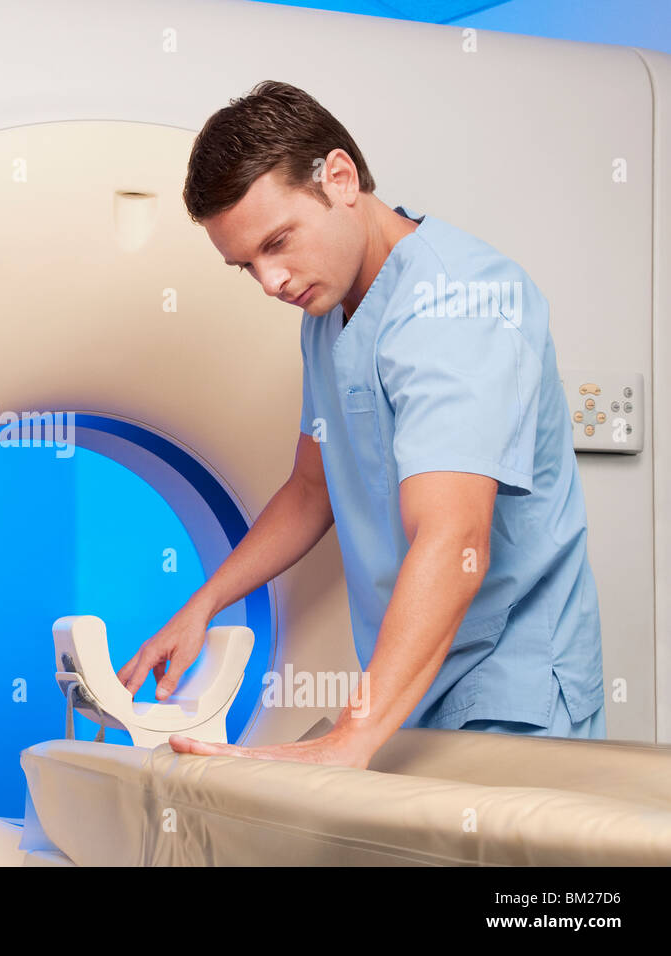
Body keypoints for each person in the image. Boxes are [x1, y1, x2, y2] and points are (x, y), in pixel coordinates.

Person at [116, 81, 606, 768]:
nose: (271, 282)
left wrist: (350, 739)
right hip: (410, 690)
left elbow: (453, 536)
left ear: (339, 178)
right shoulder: (330, 314)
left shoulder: (456, 306)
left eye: (278, 242)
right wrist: (205, 604)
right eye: (246, 266)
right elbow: (312, 489)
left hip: (506, 692)